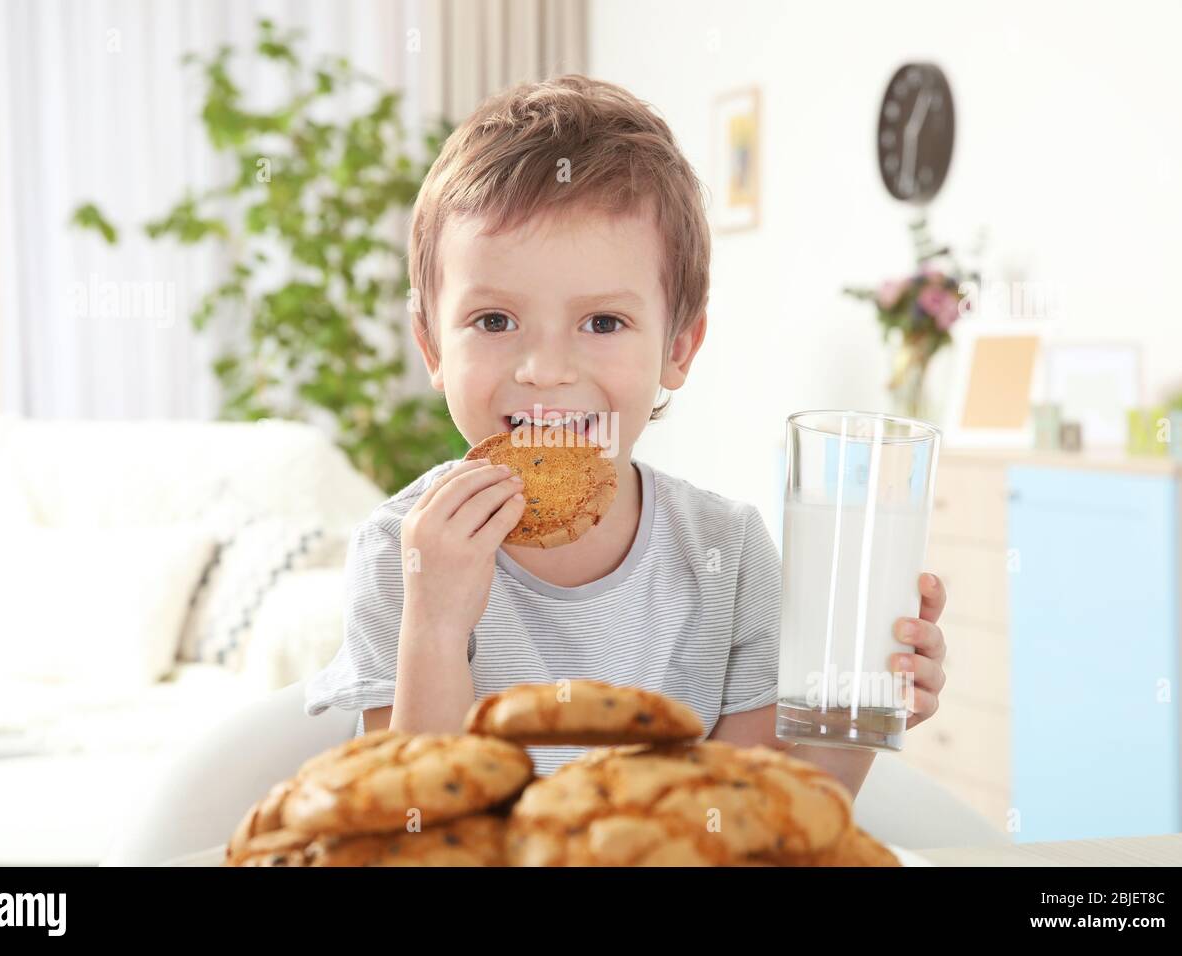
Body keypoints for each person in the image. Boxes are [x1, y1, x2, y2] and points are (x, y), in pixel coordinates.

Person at [305, 75, 948, 796]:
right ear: (430, 347)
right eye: (494, 320)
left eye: (603, 323)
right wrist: (435, 627)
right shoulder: (404, 553)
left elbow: (762, 816)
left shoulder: (729, 557)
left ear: (678, 348)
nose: (545, 371)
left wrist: (853, 707)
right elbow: (418, 821)